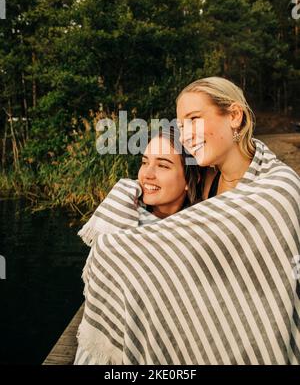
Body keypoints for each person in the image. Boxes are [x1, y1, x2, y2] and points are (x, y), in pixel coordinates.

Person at [75, 77, 300, 365]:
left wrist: (116, 250)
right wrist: (128, 188)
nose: (186, 135)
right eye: (181, 126)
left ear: (234, 116)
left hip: (251, 321)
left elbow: (269, 279)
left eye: (194, 119)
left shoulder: (277, 189)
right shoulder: (205, 176)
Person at [74, 128, 202, 365]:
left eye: (163, 165)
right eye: (145, 162)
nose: (148, 174)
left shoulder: (195, 235)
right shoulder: (121, 219)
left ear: (189, 179)